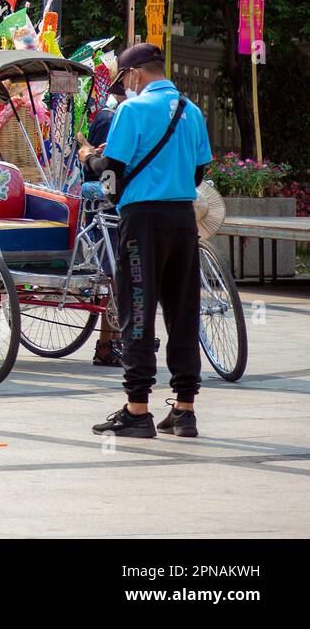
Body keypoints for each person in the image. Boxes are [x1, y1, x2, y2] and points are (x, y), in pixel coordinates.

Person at [82, 43, 212, 439]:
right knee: (184, 310)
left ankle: (137, 409)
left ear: (134, 74)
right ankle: (184, 409)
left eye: (124, 78)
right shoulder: (192, 111)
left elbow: (111, 176)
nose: (125, 85)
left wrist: (89, 155)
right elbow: (198, 172)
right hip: (182, 219)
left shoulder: (131, 109)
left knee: (137, 308)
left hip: (142, 222)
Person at [77, 63, 126, 367]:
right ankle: (109, 343)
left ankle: (112, 341)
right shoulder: (110, 119)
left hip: (122, 205)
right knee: (118, 276)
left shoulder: (124, 116)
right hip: (104, 209)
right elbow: (106, 178)